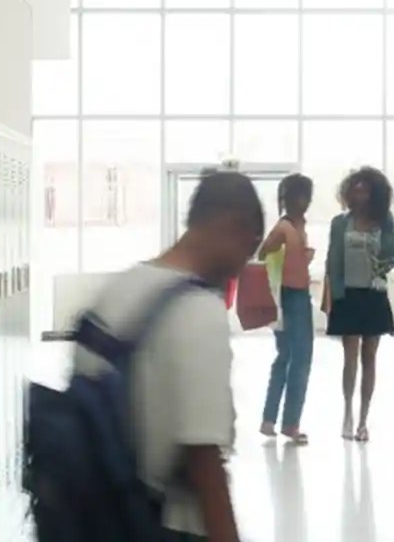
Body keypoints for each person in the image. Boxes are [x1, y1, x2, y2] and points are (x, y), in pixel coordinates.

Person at [72, 172, 264, 542]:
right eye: (250, 247)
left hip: (96, 516)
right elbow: (204, 461)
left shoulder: (120, 288)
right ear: (231, 226)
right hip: (163, 523)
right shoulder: (199, 310)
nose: (245, 263)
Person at [322, 166, 394, 442]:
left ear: (374, 192)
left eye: (365, 188)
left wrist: (377, 261)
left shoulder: (384, 221)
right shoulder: (339, 223)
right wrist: (329, 296)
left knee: (370, 357)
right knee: (349, 355)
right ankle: (347, 412)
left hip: (373, 293)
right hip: (347, 294)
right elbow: (331, 261)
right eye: (355, 187)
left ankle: (364, 420)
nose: (359, 192)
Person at [259, 173, 316, 444]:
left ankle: (270, 420)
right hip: (289, 297)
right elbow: (262, 253)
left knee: (285, 357)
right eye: (297, 196)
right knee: (300, 359)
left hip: (297, 295)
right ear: (286, 198)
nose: (302, 202)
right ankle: (289, 423)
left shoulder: (298, 225)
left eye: (305, 196)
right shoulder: (284, 227)